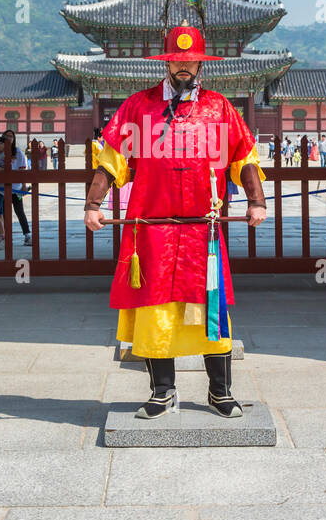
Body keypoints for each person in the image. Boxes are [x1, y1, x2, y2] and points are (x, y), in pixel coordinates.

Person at [84, 25, 267, 419]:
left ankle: (220, 393)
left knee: (209, 309)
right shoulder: (138, 107)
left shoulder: (219, 108)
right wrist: (93, 203)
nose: (184, 67)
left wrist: (256, 200)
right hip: (153, 228)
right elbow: (112, 159)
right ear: (167, 63)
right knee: (156, 312)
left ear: (201, 63)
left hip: (204, 230)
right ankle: (162, 392)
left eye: (190, 61)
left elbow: (244, 157)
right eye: (176, 61)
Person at [0, 130, 31, 245]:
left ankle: (27, 235)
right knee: (3, 213)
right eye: (6, 136)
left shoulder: (17, 152)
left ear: (14, 139)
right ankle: (3, 237)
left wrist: (24, 186)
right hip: (2, 188)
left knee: (19, 211)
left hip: (15, 188)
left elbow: (22, 170)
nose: (9, 138)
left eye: (11, 136)